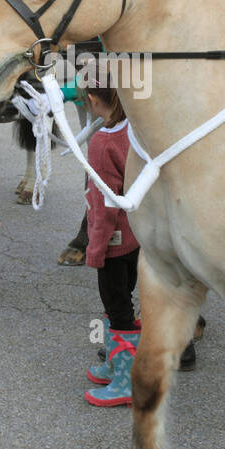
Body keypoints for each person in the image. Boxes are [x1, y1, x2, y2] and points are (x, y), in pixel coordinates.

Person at [81, 86, 141, 407]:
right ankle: (114, 365)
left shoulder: (101, 144)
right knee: (122, 299)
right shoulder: (133, 128)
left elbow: (104, 206)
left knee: (118, 308)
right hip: (133, 238)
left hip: (113, 244)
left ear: (91, 99)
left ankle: (125, 383)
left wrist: (95, 248)